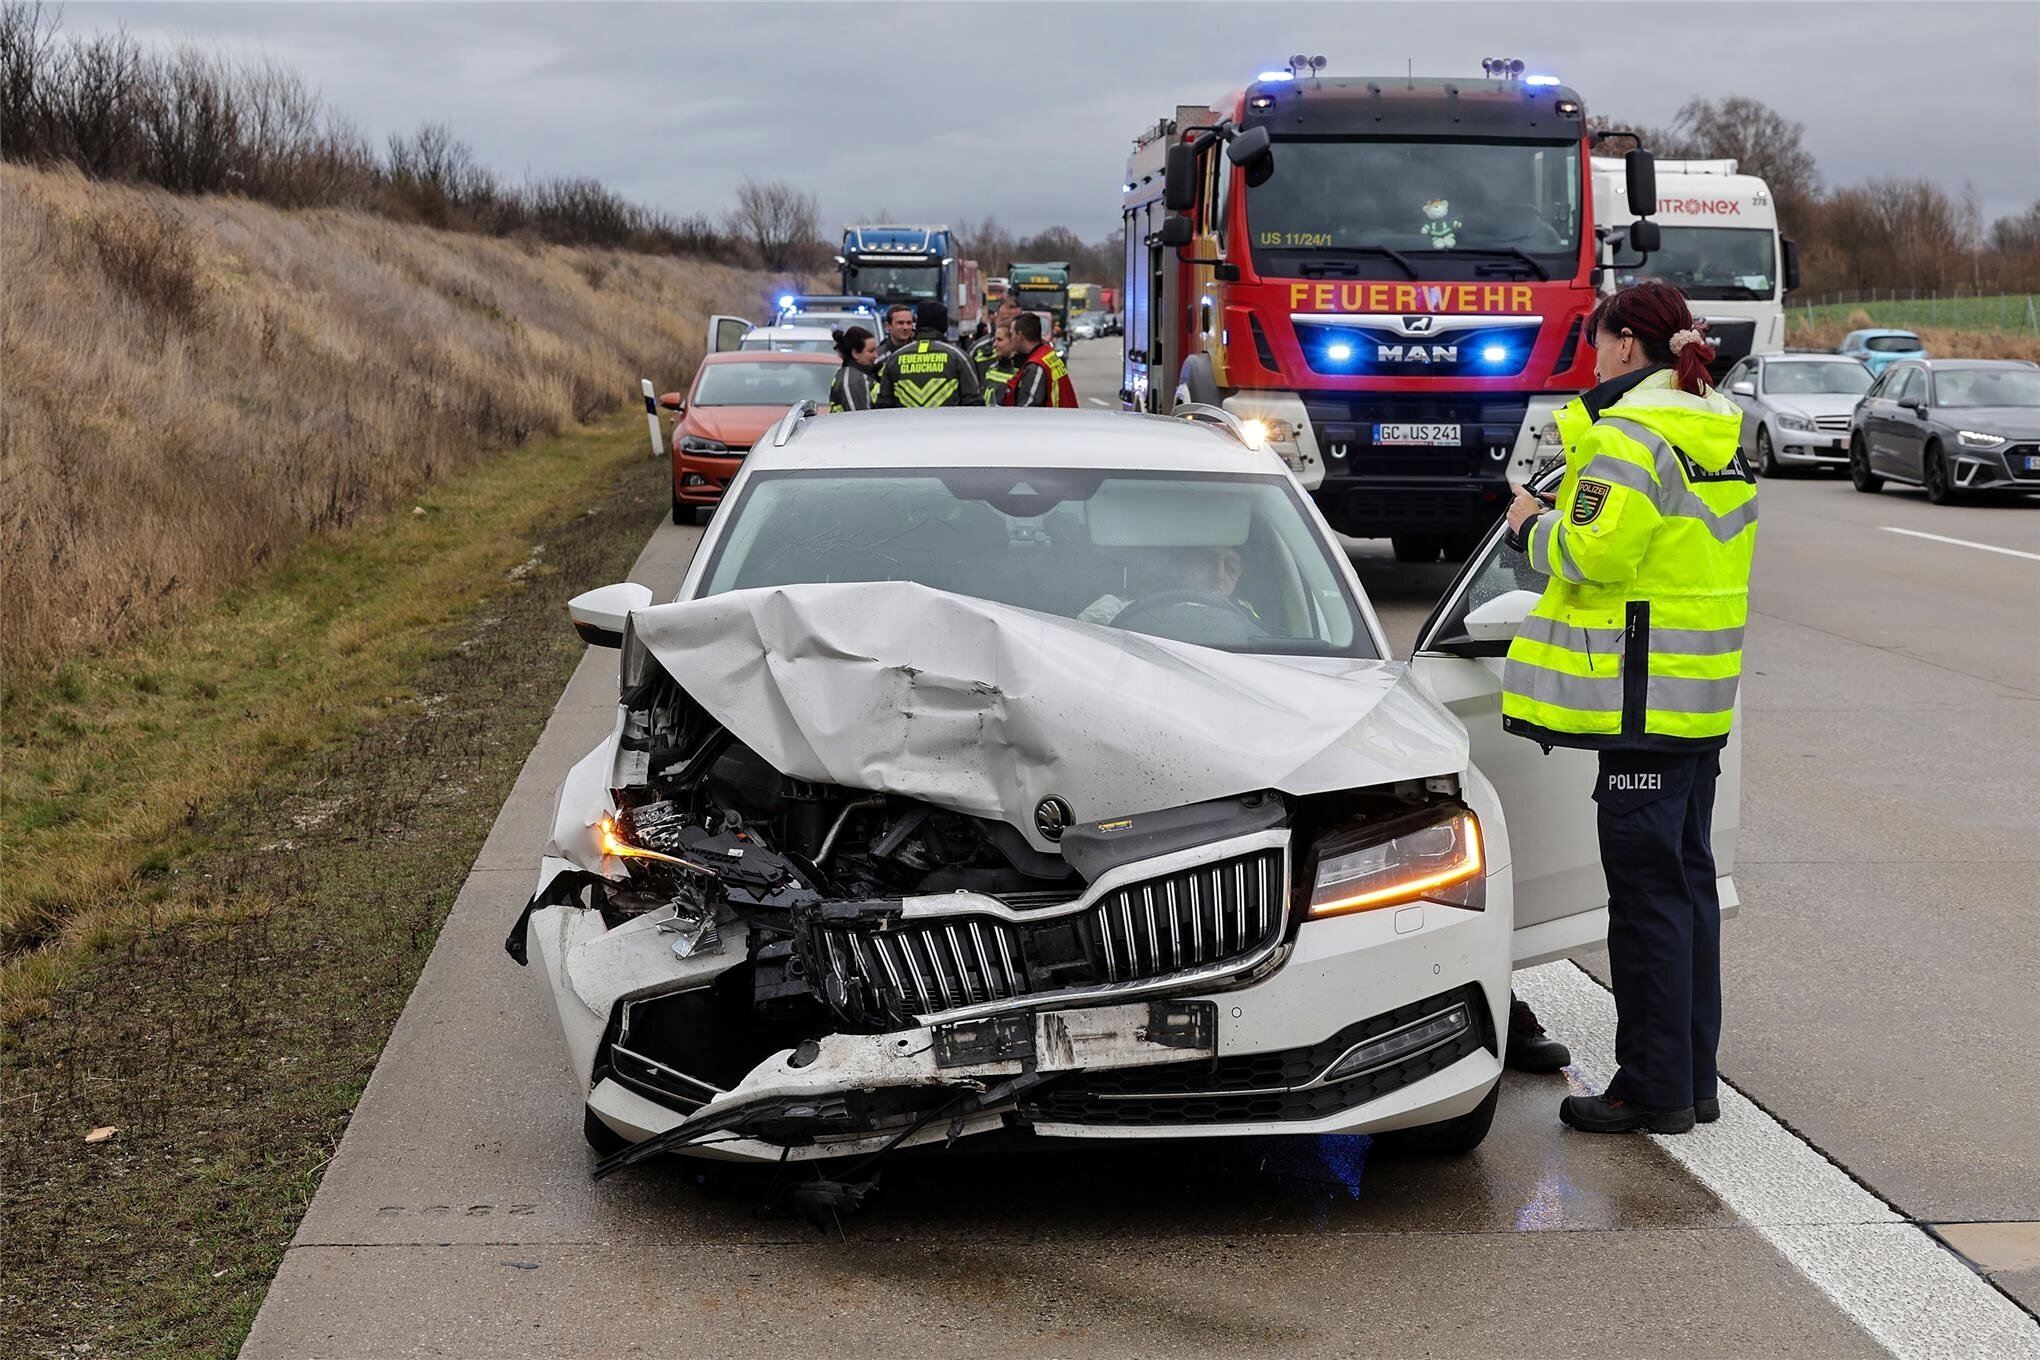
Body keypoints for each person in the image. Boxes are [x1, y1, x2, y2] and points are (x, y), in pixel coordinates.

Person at [1501, 278, 1755, 1135]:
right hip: (1698, 702)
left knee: (1647, 902)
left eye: (1598, 338)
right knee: (1684, 893)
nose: (1591, 352)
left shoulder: (1628, 436)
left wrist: (1527, 525)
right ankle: (1692, 1081)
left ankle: (1650, 1092)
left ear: (1622, 346)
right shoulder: (1715, 428)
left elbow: (1593, 553)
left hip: (1641, 703)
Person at [873, 301, 981, 409]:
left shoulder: (894, 358)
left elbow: (883, 405)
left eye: (908, 323)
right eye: (900, 323)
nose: (905, 327)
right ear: (944, 325)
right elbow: (974, 402)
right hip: (948, 424)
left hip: (905, 424)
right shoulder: (958, 356)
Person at [1005, 312, 1078, 408]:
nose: (1011, 338)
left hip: (1053, 421)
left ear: (1020, 336)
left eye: (1011, 334)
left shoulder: (1036, 367)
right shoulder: (1047, 354)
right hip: (1064, 418)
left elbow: (1027, 410)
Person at [828, 325, 880, 412]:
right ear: (855, 353)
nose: (876, 355)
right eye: (871, 351)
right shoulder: (853, 381)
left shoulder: (860, 375)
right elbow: (860, 420)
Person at [970, 294, 1024, 379]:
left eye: (1014, 320)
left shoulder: (1030, 349)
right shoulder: (978, 348)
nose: (1009, 325)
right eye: (1004, 320)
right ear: (996, 319)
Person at [979, 315, 1025, 405]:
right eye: (995, 339)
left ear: (1014, 340)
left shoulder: (1023, 373)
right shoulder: (992, 368)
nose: (994, 344)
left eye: (999, 340)